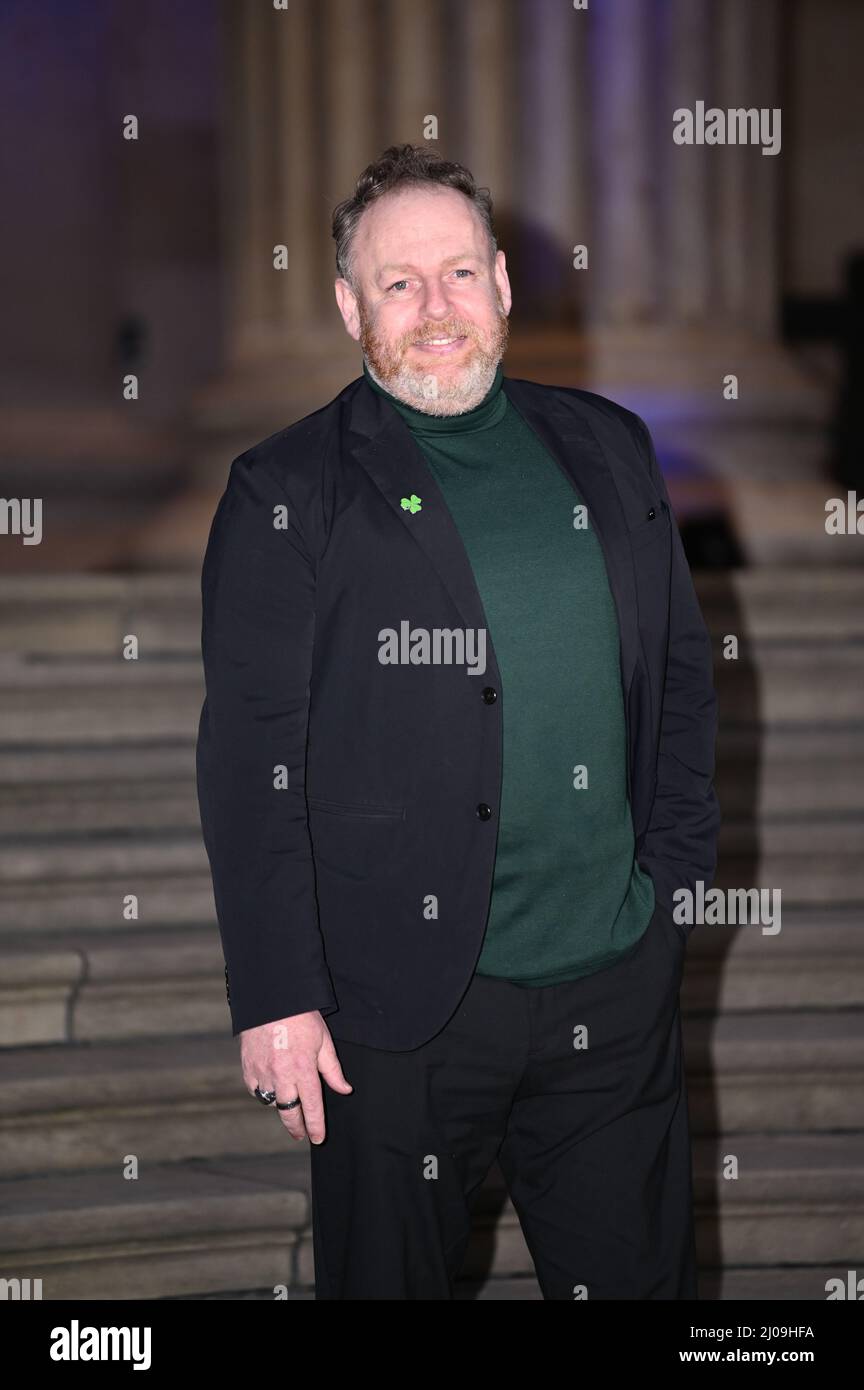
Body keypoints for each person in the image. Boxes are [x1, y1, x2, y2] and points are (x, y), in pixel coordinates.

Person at [196, 144, 720, 1300]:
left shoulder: (611, 446)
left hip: (610, 992)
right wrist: (278, 991)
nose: (437, 309)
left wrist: (668, 898)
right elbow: (250, 764)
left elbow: (680, 680)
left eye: (460, 273)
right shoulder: (284, 491)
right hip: (400, 1017)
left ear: (502, 284)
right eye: (399, 283)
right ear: (348, 306)